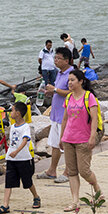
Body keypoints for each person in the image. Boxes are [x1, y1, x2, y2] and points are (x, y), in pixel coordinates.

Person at [59, 70, 103, 212]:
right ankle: (75, 201)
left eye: (72, 80)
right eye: (69, 80)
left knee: (84, 171)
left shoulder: (89, 97)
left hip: (83, 139)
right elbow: (65, 119)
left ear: (81, 81)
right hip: (68, 139)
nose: (69, 83)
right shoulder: (68, 98)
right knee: (72, 171)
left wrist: (92, 137)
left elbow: (95, 118)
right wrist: (61, 136)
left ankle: (97, 189)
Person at [0, 101, 40, 214]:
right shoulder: (13, 126)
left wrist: (17, 152)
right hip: (11, 159)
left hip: (23, 159)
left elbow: (25, 140)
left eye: (12, 110)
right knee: (9, 182)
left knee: (27, 182)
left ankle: (36, 197)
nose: (11, 113)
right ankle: (5, 205)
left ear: (18, 113)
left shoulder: (25, 127)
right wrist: (11, 152)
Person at [36, 48, 74, 184]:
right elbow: (59, 91)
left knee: (67, 145)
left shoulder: (72, 74)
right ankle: (52, 170)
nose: (55, 60)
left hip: (67, 115)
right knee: (54, 144)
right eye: (55, 58)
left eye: (58, 58)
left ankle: (68, 172)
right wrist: (51, 92)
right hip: (56, 114)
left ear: (67, 60)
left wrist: (56, 90)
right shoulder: (60, 73)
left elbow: (72, 93)